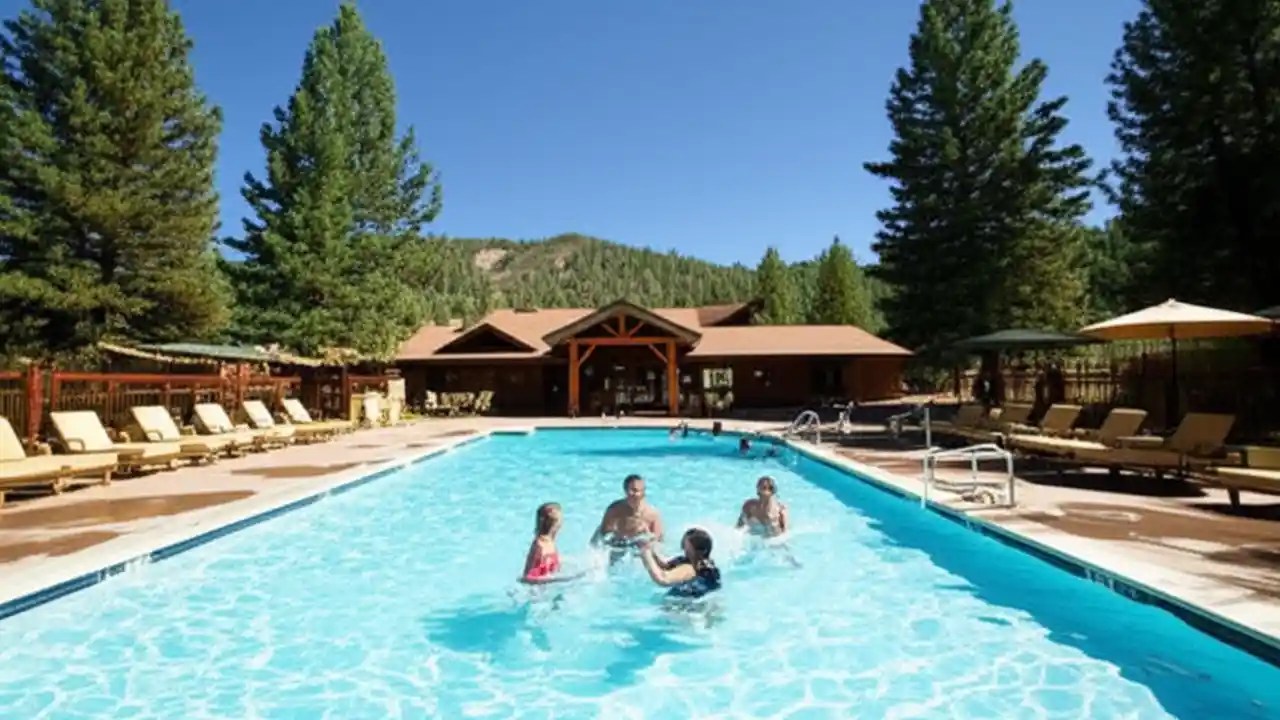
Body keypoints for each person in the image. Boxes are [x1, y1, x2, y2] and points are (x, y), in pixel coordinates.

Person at [590, 474, 665, 559]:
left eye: (635, 490)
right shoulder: (615, 509)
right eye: (628, 490)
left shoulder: (652, 513)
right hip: (619, 544)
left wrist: (647, 537)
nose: (630, 493)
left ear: (643, 492)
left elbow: (658, 540)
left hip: (640, 547)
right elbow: (603, 534)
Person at [637, 528, 721, 598]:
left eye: (686, 547)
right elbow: (664, 564)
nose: (684, 549)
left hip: (689, 610)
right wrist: (650, 545)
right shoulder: (692, 562)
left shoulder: (692, 568)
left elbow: (663, 579)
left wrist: (645, 553)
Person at [520, 502, 581, 585]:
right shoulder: (539, 546)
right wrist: (561, 579)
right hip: (534, 591)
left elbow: (554, 568)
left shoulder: (550, 543)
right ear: (555, 525)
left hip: (547, 587)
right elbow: (527, 578)